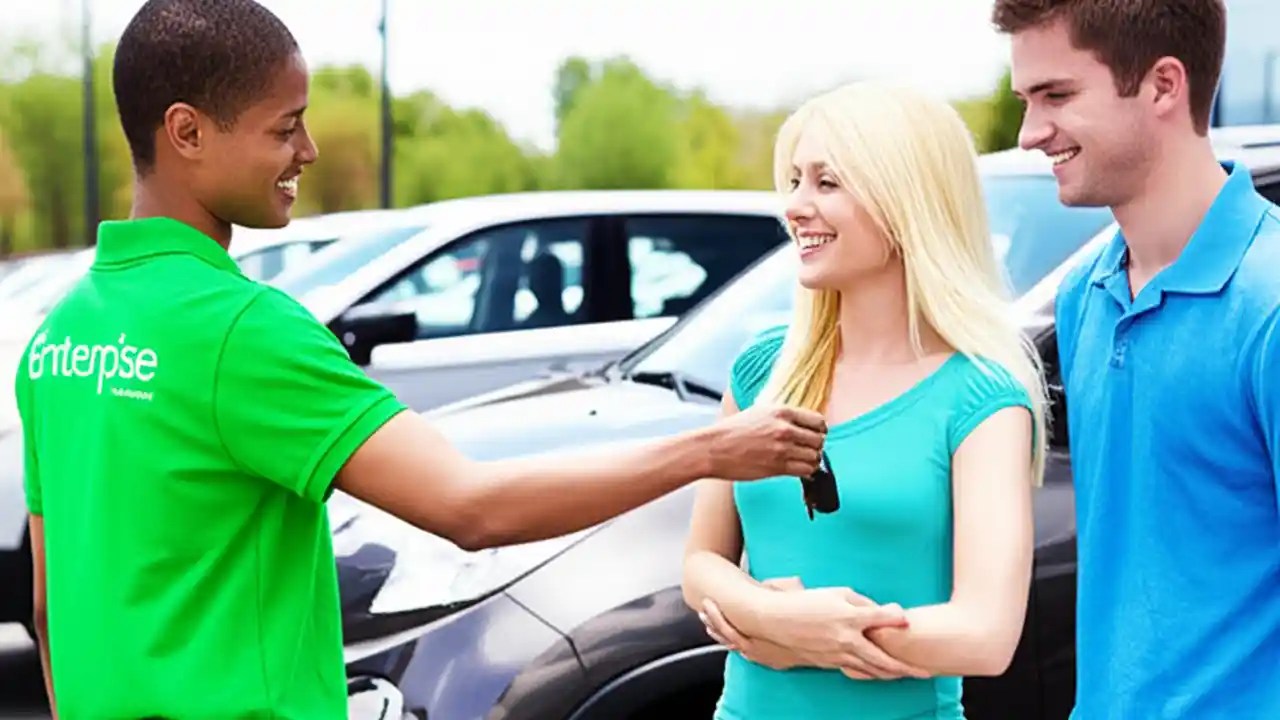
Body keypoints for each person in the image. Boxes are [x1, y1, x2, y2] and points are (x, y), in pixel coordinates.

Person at [14, 1, 828, 717]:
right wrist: (711, 451)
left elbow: (50, 605)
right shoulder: (242, 329)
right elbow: (472, 508)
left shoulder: (61, 336)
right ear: (187, 131)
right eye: (283, 126)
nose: (308, 151)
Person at [684, 80, 1047, 719]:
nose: (795, 206)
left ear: (906, 201)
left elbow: (985, 636)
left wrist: (806, 638)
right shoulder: (762, 371)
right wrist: (776, 616)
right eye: (795, 180)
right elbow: (700, 563)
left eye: (827, 182)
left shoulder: (983, 397)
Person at [993, 0, 1280, 717]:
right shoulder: (1081, 299)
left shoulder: (1270, 305)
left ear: (1163, 85)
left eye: (1057, 96)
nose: (1031, 134)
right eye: (1026, 101)